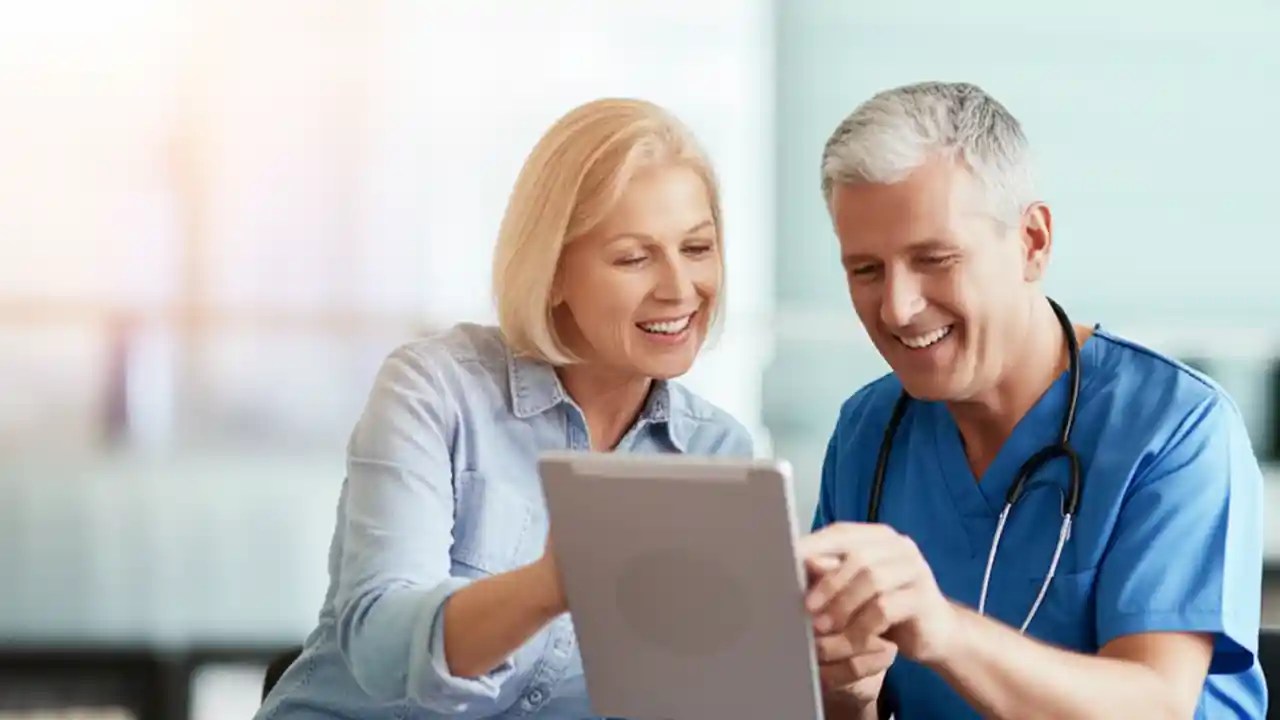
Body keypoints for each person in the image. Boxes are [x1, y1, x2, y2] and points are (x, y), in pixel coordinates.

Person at [256, 97, 753, 719]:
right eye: (634, 257)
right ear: (552, 273)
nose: (681, 288)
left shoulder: (716, 455)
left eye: (698, 249)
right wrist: (547, 588)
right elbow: (379, 645)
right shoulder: (434, 390)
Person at [797, 81, 1267, 719]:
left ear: (1033, 242)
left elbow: (1156, 704)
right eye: (866, 270)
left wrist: (943, 629)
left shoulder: (1176, 429)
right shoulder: (870, 430)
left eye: (935, 259)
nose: (898, 308)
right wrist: (844, 691)